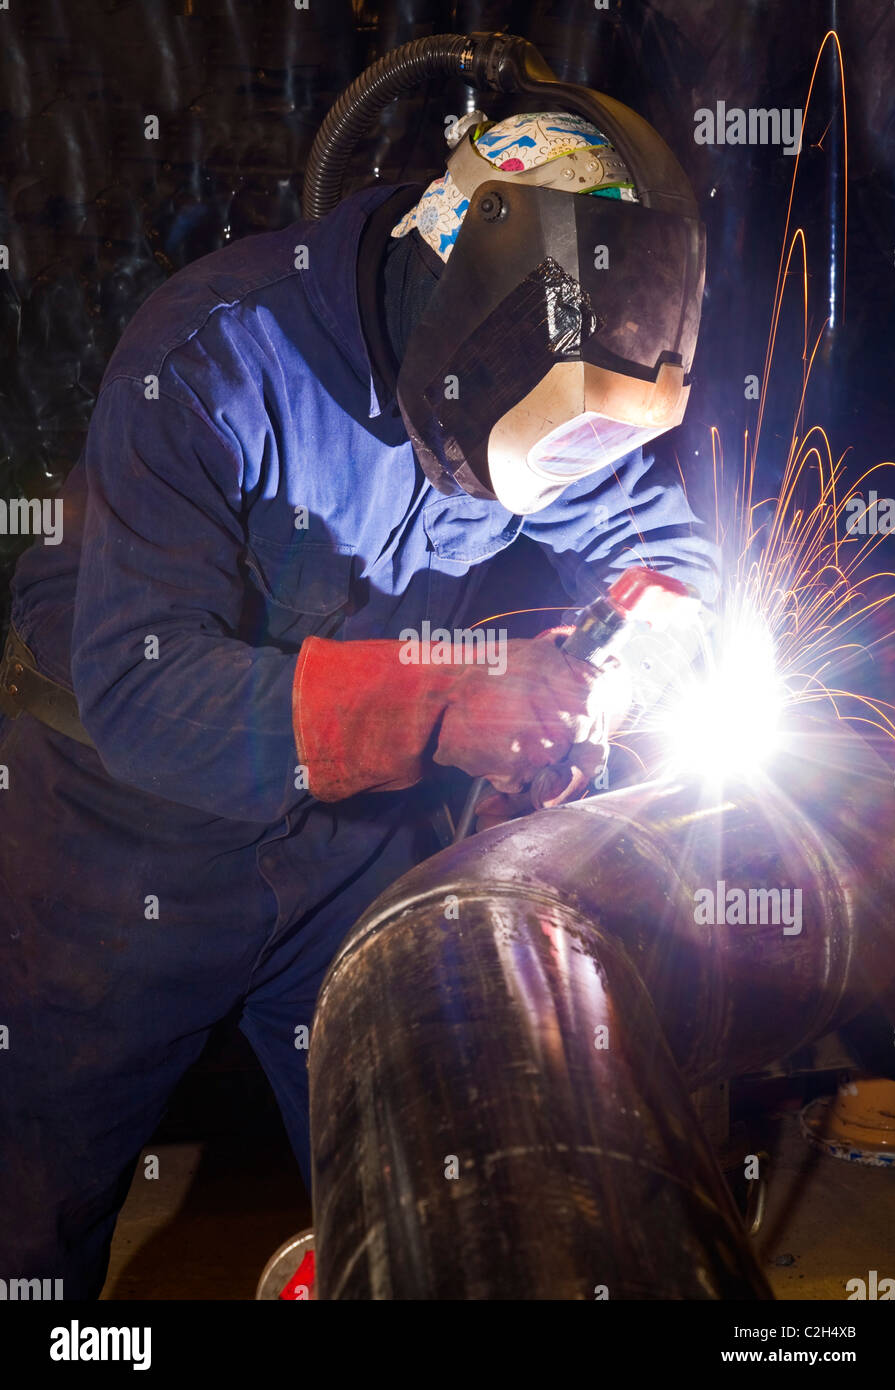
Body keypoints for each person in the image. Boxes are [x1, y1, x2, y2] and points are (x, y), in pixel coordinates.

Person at [0, 108, 717, 1298]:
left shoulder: (549, 353)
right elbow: (140, 685)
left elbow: (639, 528)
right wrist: (447, 705)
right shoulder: (216, 356)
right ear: (446, 314)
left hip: (350, 839)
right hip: (115, 830)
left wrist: (658, 630)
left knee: (439, 1171)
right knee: (30, 1218)